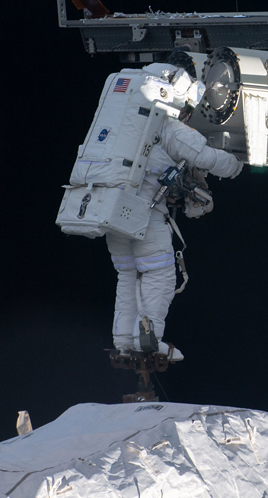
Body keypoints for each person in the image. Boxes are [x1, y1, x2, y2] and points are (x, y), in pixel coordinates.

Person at [57, 60, 242, 360]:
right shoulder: (169, 127)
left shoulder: (126, 123)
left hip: (109, 209)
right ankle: (149, 338)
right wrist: (236, 165)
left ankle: (124, 339)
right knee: (160, 276)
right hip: (143, 218)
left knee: (128, 275)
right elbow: (209, 158)